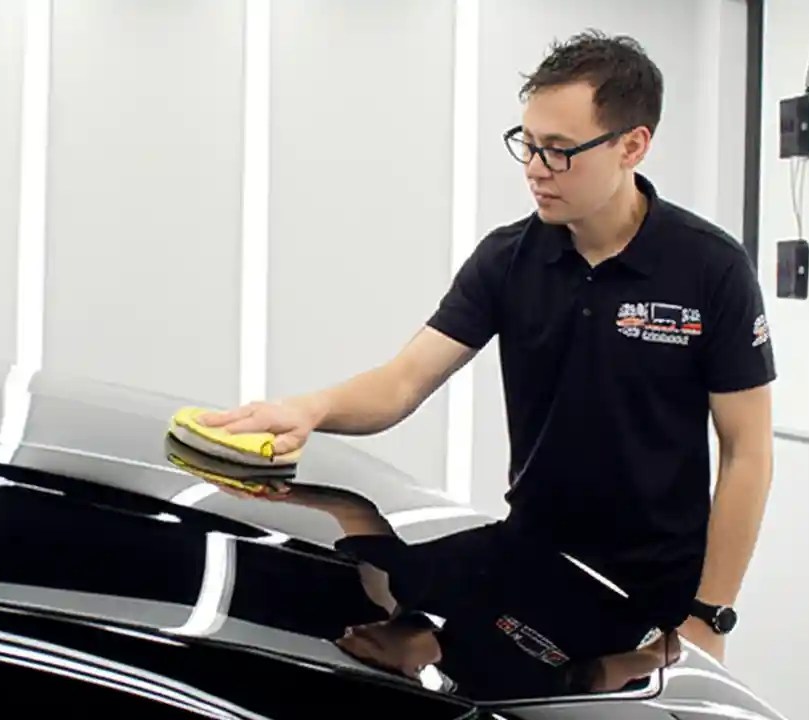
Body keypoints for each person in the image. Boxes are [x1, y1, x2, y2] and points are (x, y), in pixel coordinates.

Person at [200, 29, 775, 665]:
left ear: (632, 146)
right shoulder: (509, 258)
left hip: (652, 596)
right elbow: (401, 384)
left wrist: (708, 617)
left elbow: (747, 450)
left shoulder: (710, 268)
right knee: (336, 601)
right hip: (530, 557)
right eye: (527, 145)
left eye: (559, 151)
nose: (534, 169)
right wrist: (307, 409)